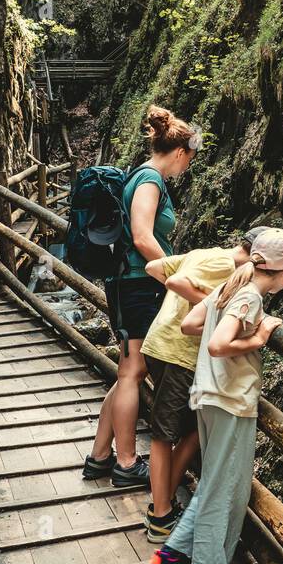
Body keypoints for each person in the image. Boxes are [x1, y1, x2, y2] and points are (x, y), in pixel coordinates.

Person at [146, 227, 283, 564]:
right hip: (230, 399)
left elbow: (190, 324)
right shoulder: (250, 297)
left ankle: (173, 556)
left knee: (216, 480)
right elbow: (220, 345)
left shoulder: (229, 285)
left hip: (206, 394)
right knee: (228, 488)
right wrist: (260, 337)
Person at [83, 105, 197, 488]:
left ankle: (101, 455)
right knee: (134, 371)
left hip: (131, 283)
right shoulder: (150, 180)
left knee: (128, 372)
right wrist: (178, 273)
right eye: (188, 161)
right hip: (139, 284)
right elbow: (142, 236)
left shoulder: (142, 176)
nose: (186, 169)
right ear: (180, 152)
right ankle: (127, 463)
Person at [140, 227, 268, 542]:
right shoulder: (225, 265)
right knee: (165, 434)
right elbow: (174, 281)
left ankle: (163, 500)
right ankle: (160, 516)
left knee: (190, 431)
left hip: (161, 343)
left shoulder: (205, 254)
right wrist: (216, 308)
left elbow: (155, 268)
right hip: (178, 353)